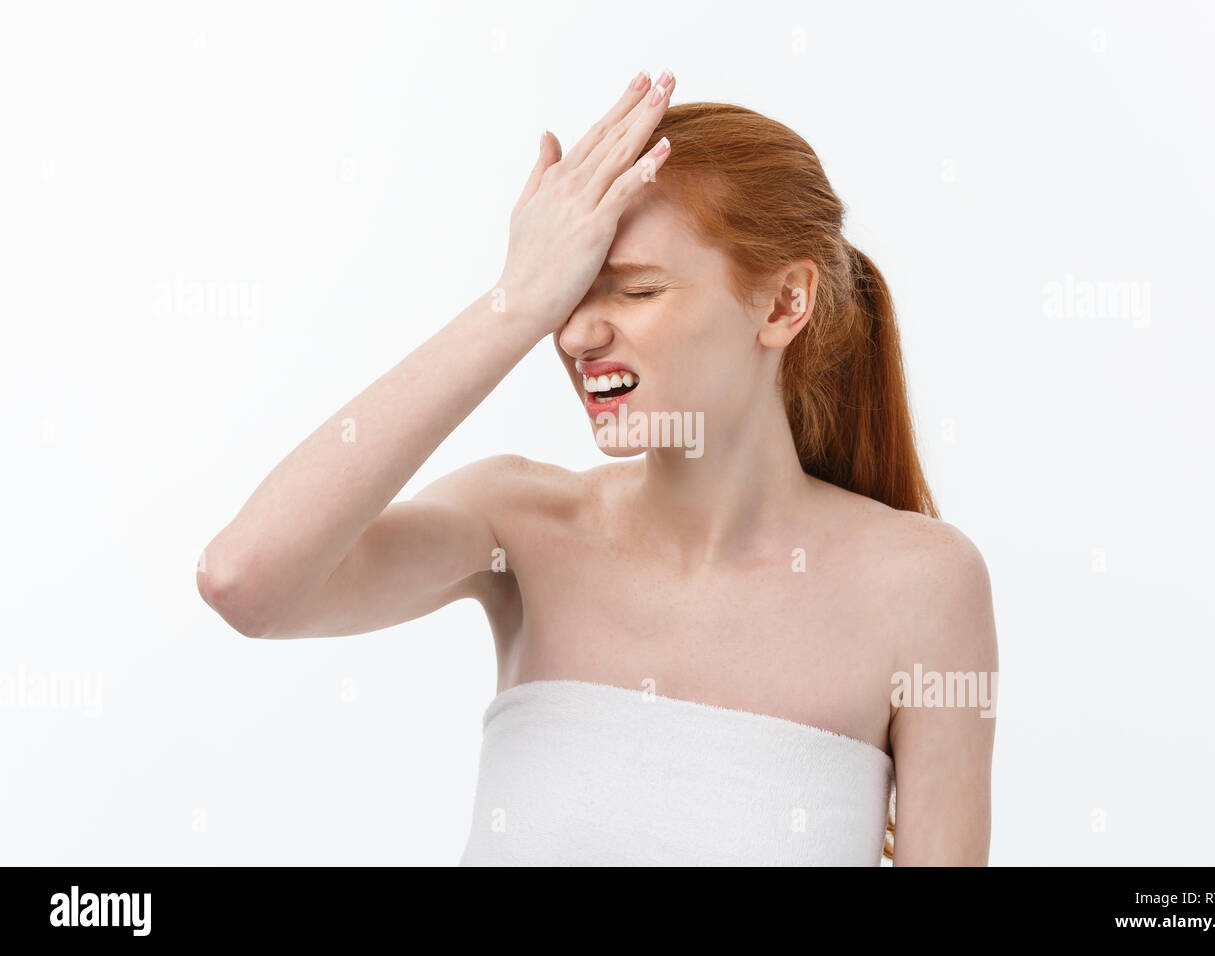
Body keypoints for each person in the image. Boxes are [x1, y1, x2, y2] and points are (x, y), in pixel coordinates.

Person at [197, 68, 998, 866]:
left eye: (636, 291)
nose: (576, 336)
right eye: (568, 295)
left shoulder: (921, 585)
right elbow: (245, 580)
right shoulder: (520, 527)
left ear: (785, 303)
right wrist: (513, 302)